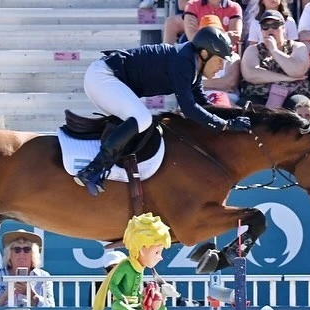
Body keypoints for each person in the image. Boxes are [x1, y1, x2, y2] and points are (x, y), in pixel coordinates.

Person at [74, 27, 250, 196]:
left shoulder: (192, 65)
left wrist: (232, 119)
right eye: (220, 60)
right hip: (103, 78)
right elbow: (189, 109)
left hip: (105, 79)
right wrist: (225, 125)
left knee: (141, 122)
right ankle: (93, 169)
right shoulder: (184, 61)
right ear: (204, 54)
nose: (221, 66)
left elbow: (204, 105)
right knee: (142, 118)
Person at [87, 213, 171, 310]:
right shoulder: (125, 266)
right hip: (123, 304)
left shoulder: (139, 267)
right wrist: (122, 298)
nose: (160, 257)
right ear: (141, 249)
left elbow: (136, 291)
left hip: (135, 303)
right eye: (157, 252)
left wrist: (146, 298)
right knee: (119, 307)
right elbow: (113, 284)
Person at [239, 10, 310, 106]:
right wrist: (287, 78)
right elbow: (250, 75)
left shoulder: (298, 47)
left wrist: (274, 50)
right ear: (261, 30)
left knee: (298, 104)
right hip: (259, 95)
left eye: (275, 25)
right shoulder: (253, 50)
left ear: (283, 28)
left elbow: (297, 71)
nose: (270, 30)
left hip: (293, 93)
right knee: (245, 106)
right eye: (265, 26)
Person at [0, 230, 55, 308]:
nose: (22, 253)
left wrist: (31, 295)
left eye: (27, 249)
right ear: (9, 254)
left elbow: (51, 307)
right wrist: (6, 295)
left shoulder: (44, 276)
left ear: (33, 254)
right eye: (17, 250)